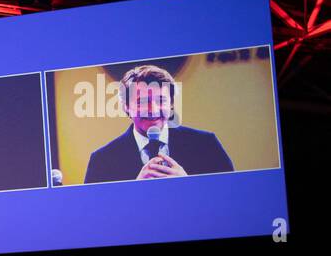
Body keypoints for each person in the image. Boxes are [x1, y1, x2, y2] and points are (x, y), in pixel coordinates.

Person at [84, 63, 234, 183]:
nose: (153, 110)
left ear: (172, 104)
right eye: (143, 101)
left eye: (161, 100)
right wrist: (132, 191)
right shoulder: (102, 161)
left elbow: (233, 196)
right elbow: (94, 214)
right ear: (126, 107)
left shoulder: (207, 145)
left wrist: (190, 184)